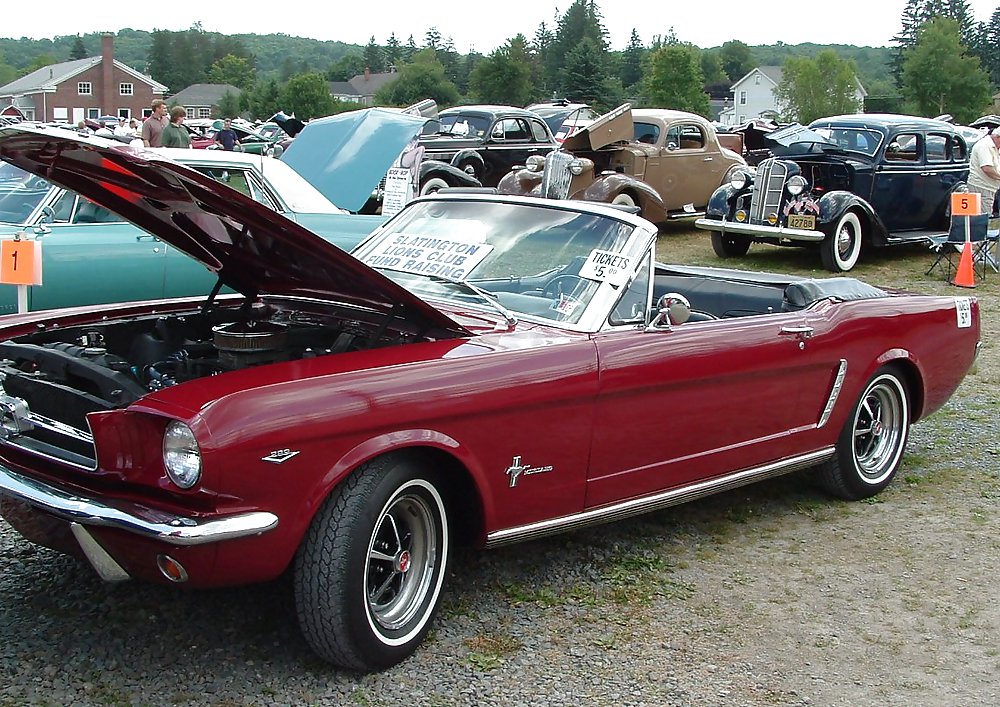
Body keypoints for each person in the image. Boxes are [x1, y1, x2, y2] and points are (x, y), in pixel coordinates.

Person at [966, 126, 1000, 217]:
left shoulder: (994, 147)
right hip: (981, 187)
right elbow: (987, 168)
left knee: (982, 216)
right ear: (997, 137)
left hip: (988, 187)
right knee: (983, 217)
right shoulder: (984, 146)